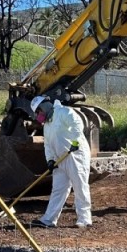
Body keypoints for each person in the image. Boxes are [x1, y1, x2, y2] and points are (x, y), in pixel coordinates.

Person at [29, 95, 92, 229]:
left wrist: (75, 142)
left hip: (75, 155)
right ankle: (49, 219)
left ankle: (84, 219)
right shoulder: (47, 125)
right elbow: (47, 144)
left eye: (38, 111)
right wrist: (50, 160)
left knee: (80, 186)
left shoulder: (63, 112)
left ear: (45, 106)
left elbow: (77, 124)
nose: (38, 115)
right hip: (59, 159)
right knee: (58, 189)